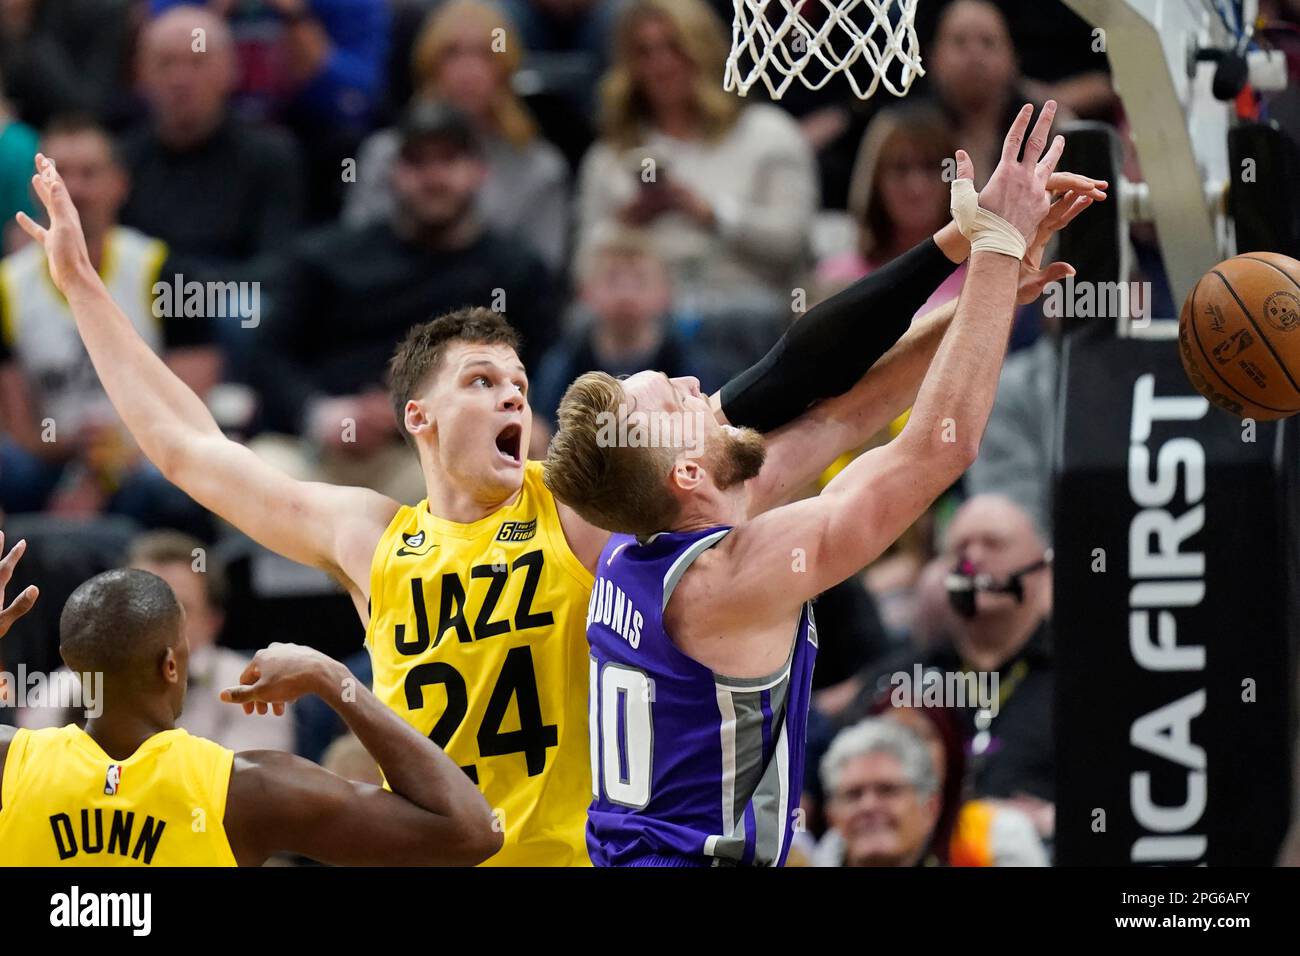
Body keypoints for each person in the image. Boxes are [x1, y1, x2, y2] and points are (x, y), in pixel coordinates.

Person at [16, 118, 1100, 866]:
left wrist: (969, 275)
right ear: (418, 420)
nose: (510, 398)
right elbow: (189, 447)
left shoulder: (592, 511)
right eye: (480, 381)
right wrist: (82, 291)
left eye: (519, 382)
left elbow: (797, 412)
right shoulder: (367, 536)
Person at [543, 102, 1076, 866]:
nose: (700, 382)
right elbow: (936, 450)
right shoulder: (730, 577)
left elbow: (842, 415)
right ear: (686, 472)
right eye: (679, 399)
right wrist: (992, 249)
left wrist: (979, 298)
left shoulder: (644, 546)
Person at [0, 565, 500, 866]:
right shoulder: (245, 791)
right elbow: (470, 831)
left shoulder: (10, 765)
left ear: (71, 662)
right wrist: (331, 677)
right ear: (171, 664)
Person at [250, 100, 559, 503]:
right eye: (417, 163)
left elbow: (542, 370)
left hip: (431, 459)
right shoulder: (328, 258)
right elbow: (266, 355)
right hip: (319, 450)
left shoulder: (516, 271)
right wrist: (321, 414)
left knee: (444, 493)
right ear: (395, 173)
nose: (433, 178)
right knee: (257, 471)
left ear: (478, 171)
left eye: (448, 161)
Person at [0, 116, 219, 534]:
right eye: (58, 173)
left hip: (148, 457)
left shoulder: (167, 273)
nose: (74, 188)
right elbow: (21, 433)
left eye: (89, 173)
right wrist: (78, 456)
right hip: (49, 462)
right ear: (35, 188)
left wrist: (106, 471)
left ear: (120, 183)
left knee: (181, 482)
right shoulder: (7, 286)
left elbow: (192, 412)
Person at [573, 0, 819, 320]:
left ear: (702, 49)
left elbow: (793, 244)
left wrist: (710, 213)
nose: (661, 65)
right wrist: (625, 223)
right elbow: (581, 271)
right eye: (644, 52)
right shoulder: (609, 155)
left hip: (745, 310)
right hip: (642, 319)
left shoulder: (767, 134)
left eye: (674, 46)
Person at [18, 530, 295, 755]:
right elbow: (32, 780)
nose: (153, 622)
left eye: (177, 608)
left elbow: (245, 800)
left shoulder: (253, 687)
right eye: (140, 606)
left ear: (213, 621)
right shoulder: (67, 683)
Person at [344, 0, 571, 273]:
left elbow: (543, 273)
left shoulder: (539, 168)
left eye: (483, 54)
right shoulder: (386, 153)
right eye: (452, 53)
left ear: (506, 67)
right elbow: (355, 257)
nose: (467, 71)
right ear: (429, 66)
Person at [531, 226, 719, 429]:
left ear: (665, 292)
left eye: (640, 281)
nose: (626, 294)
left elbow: (704, 427)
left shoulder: (686, 364)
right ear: (586, 290)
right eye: (613, 280)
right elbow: (545, 433)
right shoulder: (564, 364)